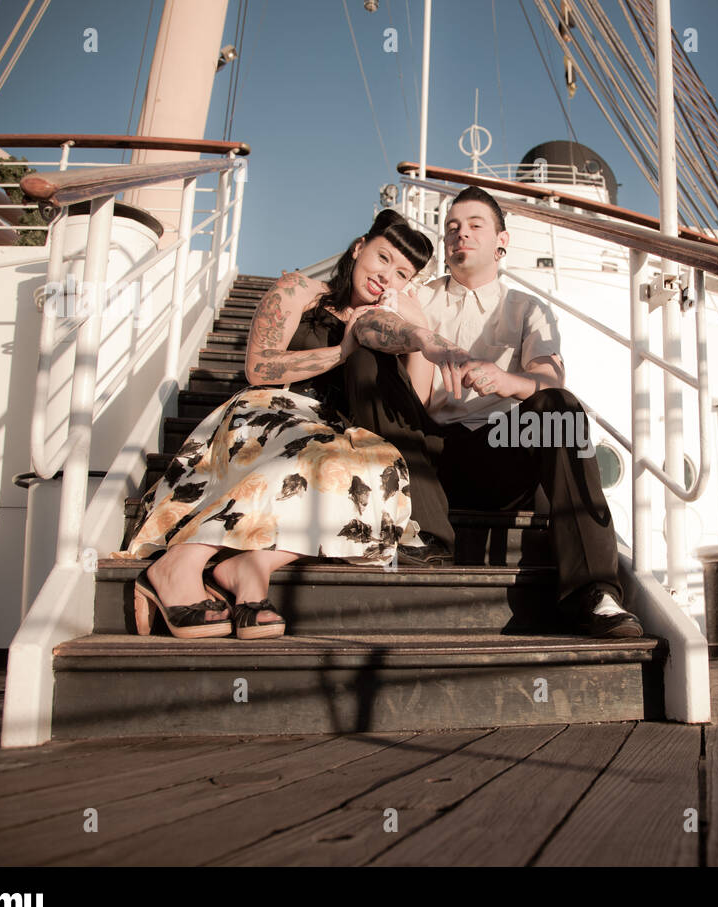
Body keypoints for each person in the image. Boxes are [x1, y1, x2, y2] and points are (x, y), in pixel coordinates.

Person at [110, 209, 434, 640]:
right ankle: (178, 564)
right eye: (382, 258)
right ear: (359, 248)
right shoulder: (301, 289)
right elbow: (260, 367)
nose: (386, 277)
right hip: (268, 410)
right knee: (309, 452)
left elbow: (418, 404)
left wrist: (420, 329)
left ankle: (250, 567)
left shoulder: (385, 331)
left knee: (377, 466)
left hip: (331, 430)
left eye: (401, 273)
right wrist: (343, 349)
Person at [339, 186, 644, 639]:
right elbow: (414, 398)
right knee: (372, 368)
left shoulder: (526, 309)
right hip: (431, 454)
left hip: (503, 447)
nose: (461, 234)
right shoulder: (416, 297)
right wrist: (420, 332)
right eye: (452, 228)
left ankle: (593, 591)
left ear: (502, 242)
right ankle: (419, 528)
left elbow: (547, 379)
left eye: (475, 225)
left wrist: (506, 381)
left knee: (559, 407)